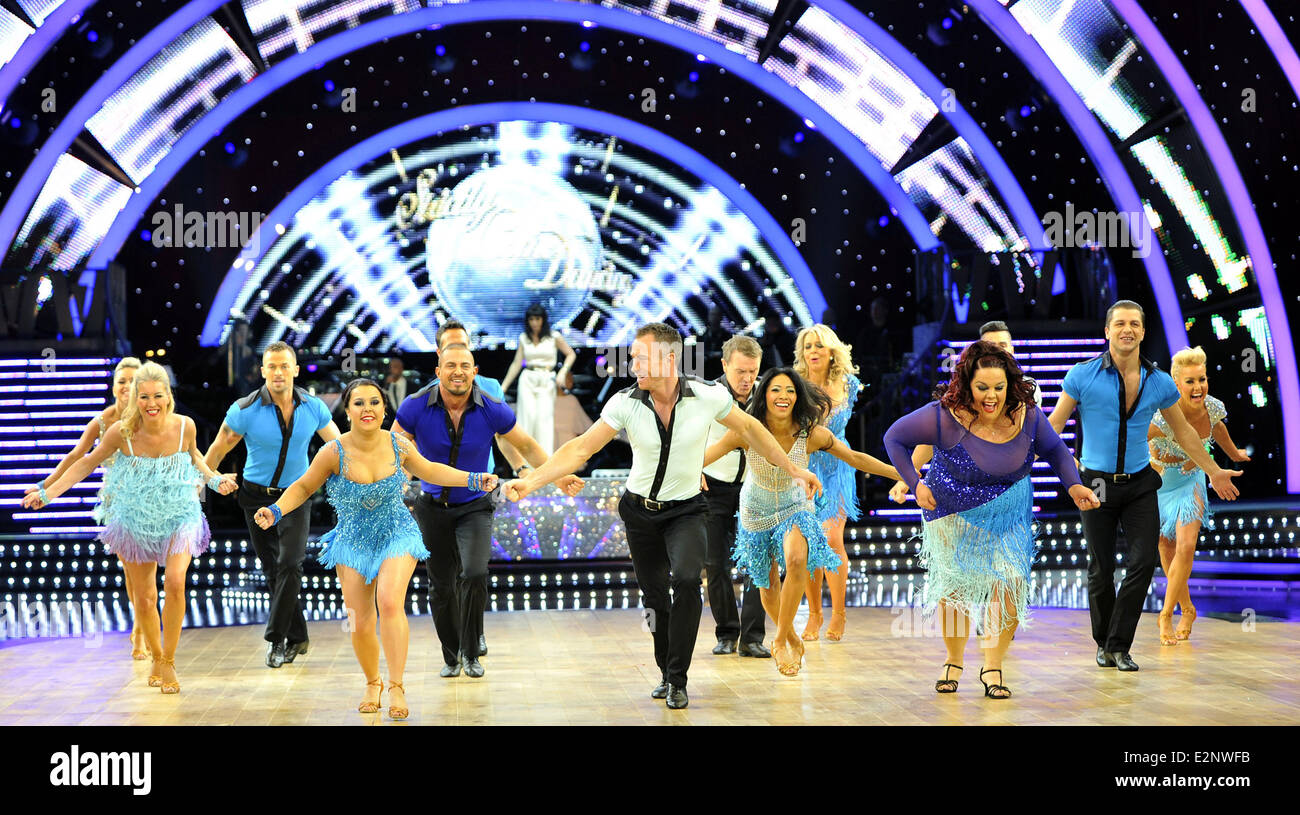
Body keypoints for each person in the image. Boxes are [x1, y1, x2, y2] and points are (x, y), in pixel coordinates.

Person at [504, 322, 823, 710]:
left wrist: (793, 469)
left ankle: (678, 678)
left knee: (688, 580)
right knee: (655, 598)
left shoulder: (707, 396)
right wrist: (533, 481)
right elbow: (580, 449)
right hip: (639, 514)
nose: (633, 364)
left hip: (687, 510)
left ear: (668, 359)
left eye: (640, 357)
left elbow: (752, 429)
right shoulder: (625, 401)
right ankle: (663, 669)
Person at [253, 378, 497, 720]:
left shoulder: (399, 445)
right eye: (359, 403)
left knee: (389, 601)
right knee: (359, 621)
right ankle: (373, 681)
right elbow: (305, 485)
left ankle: (397, 685)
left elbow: (431, 471)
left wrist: (473, 478)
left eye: (374, 403)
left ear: (384, 409)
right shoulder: (332, 452)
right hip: (352, 540)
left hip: (397, 531)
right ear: (348, 410)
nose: (367, 409)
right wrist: (275, 510)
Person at [884, 342, 1100, 698]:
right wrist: (914, 483)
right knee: (955, 589)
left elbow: (1056, 450)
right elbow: (894, 438)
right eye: (983, 388)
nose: (991, 396)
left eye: (998, 388)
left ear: (1009, 386)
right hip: (951, 509)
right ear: (968, 384)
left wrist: (1074, 485)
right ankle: (954, 660)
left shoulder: (1026, 413)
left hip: (1007, 511)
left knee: (1012, 582)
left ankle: (994, 664)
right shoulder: (944, 415)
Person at [1048, 301, 1241, 672]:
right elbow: (1054, 426)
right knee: (1101, 569)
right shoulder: (1082, 375)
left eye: (1134, 324)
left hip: (1140, 484)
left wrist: (1214, 470)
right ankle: (1104, 641)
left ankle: (1120, 646)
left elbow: (1184, 432)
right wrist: (1059, 469)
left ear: (1142, 331)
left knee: (1142, 563)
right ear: (1107, 331)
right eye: (1119, 323)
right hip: (1098, 485)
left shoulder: (1159, 381)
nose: (1127, 329)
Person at [22, 362, 238, 694]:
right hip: (135, 518)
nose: (152, 403)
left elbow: (195, 456)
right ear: (135, 398)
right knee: (146, 597)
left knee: (176, 582)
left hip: (179, 512)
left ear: (169, 397)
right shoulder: (118, 432)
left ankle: (168, 661)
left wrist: (215, 479)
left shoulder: (185, 427)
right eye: (144, 396)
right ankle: (155, 654)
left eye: (158, 396)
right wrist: (47, 492)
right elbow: (85, 461)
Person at [395, 343, 582, 679]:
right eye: (450, 365)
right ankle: (450, 655)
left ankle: (470, 652)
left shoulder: (492, 408)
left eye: (465, 366)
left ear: (475, 372)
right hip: (431, 507)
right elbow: (394, 450)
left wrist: (557, 477)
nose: (458, 372)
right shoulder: (415, 406)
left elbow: (526, 446)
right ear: (438, 372)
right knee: (440, 586)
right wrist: (385, 486)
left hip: (475, 507)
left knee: (475, 573)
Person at [704, 368, 900, 675]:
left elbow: (856, 458)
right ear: (763, 395)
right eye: (776, 390)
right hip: (756, 509)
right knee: (767, 585)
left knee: (797, 559)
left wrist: (901, 475)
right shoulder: (746, 431)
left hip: (796, 505)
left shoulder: (812, 434)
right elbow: (706, 455)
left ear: (798, 397)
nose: (783, 397)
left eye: (790, 391)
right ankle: (791, 637)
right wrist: (691, 470)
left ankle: (780, 639)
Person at [205, 341, 340, 668]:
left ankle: (276, 640)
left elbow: (339, 448)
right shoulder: (245, 409)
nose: (278, 372)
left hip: (296, 496)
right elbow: (217, 450)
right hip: (254, 497)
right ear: (263, 371)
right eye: (271, 367)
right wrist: (207, 481)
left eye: (284, 366)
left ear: (295, 370)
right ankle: (298, 636)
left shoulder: (313, 407)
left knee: (290, 563)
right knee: (273, 569)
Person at [27, 356, 145, 658]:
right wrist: (44, 487)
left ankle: (144, 625)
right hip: (117, 503)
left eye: (133, 381)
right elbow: (76, 457)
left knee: (146, 572)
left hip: (150, 500)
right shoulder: (103, 421)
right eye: (122, 381)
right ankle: (141, 626)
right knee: (131, 570)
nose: (126, 386)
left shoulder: (150, 416)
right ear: (114, 385)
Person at [1147, 346, 1249, 645]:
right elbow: (1136, 439)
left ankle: (1165, 615)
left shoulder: (1212, 406)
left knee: (1187, 545)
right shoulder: (1163, 414)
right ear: (1177, 383)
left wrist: (1234, 454)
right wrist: (1151, 465)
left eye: (1202, 380)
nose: (1198, 387)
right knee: (1166, 548)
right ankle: (1187, 607)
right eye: (1190, 382)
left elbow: (1218, 431)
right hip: (1161, 485)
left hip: (1191, 481)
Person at [888, 321, 1042, 505]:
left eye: (1002, 346)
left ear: (1012, 349)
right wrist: (907, 478)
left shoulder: (1027, 390)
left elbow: (1036, 442)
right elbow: (933, 437)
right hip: (959, 491)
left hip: (1008, 494)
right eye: (990, 347)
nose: (998, 353)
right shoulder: (963, 389)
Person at [700, 336, 768, 658]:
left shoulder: (768, 398)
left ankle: (753, 637)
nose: (747, 379)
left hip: (755, 489)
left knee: (759, 562)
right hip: (712, 488)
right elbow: (691, 441)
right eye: (740, 371)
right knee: (715, 563)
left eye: (753, 371)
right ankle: (727, 632)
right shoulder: (705, 397)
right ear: (725, 365)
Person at [793, 323, 859, 641]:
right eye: (808, 346)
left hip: (839, 467)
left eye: (819, 345)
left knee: (833, 539)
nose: (813, 351)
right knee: (808, 543)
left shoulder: (849, 384)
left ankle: (840, 614)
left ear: (831, 350)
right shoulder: (795, 385)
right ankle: (815, 613)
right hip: (806, 469)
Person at [500, 303, 576, 455]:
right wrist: (504, 387)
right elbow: (516, 363)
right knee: (526, 419)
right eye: (531, 319)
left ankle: (543, 463)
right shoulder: (524, 338)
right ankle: (525, 465)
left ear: (543, 319)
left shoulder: (554, 336)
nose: (534, 322)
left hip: (547, 379)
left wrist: (562, 372)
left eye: (537, 319)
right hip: (528, 378)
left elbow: (571, 354)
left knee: (544, 421)